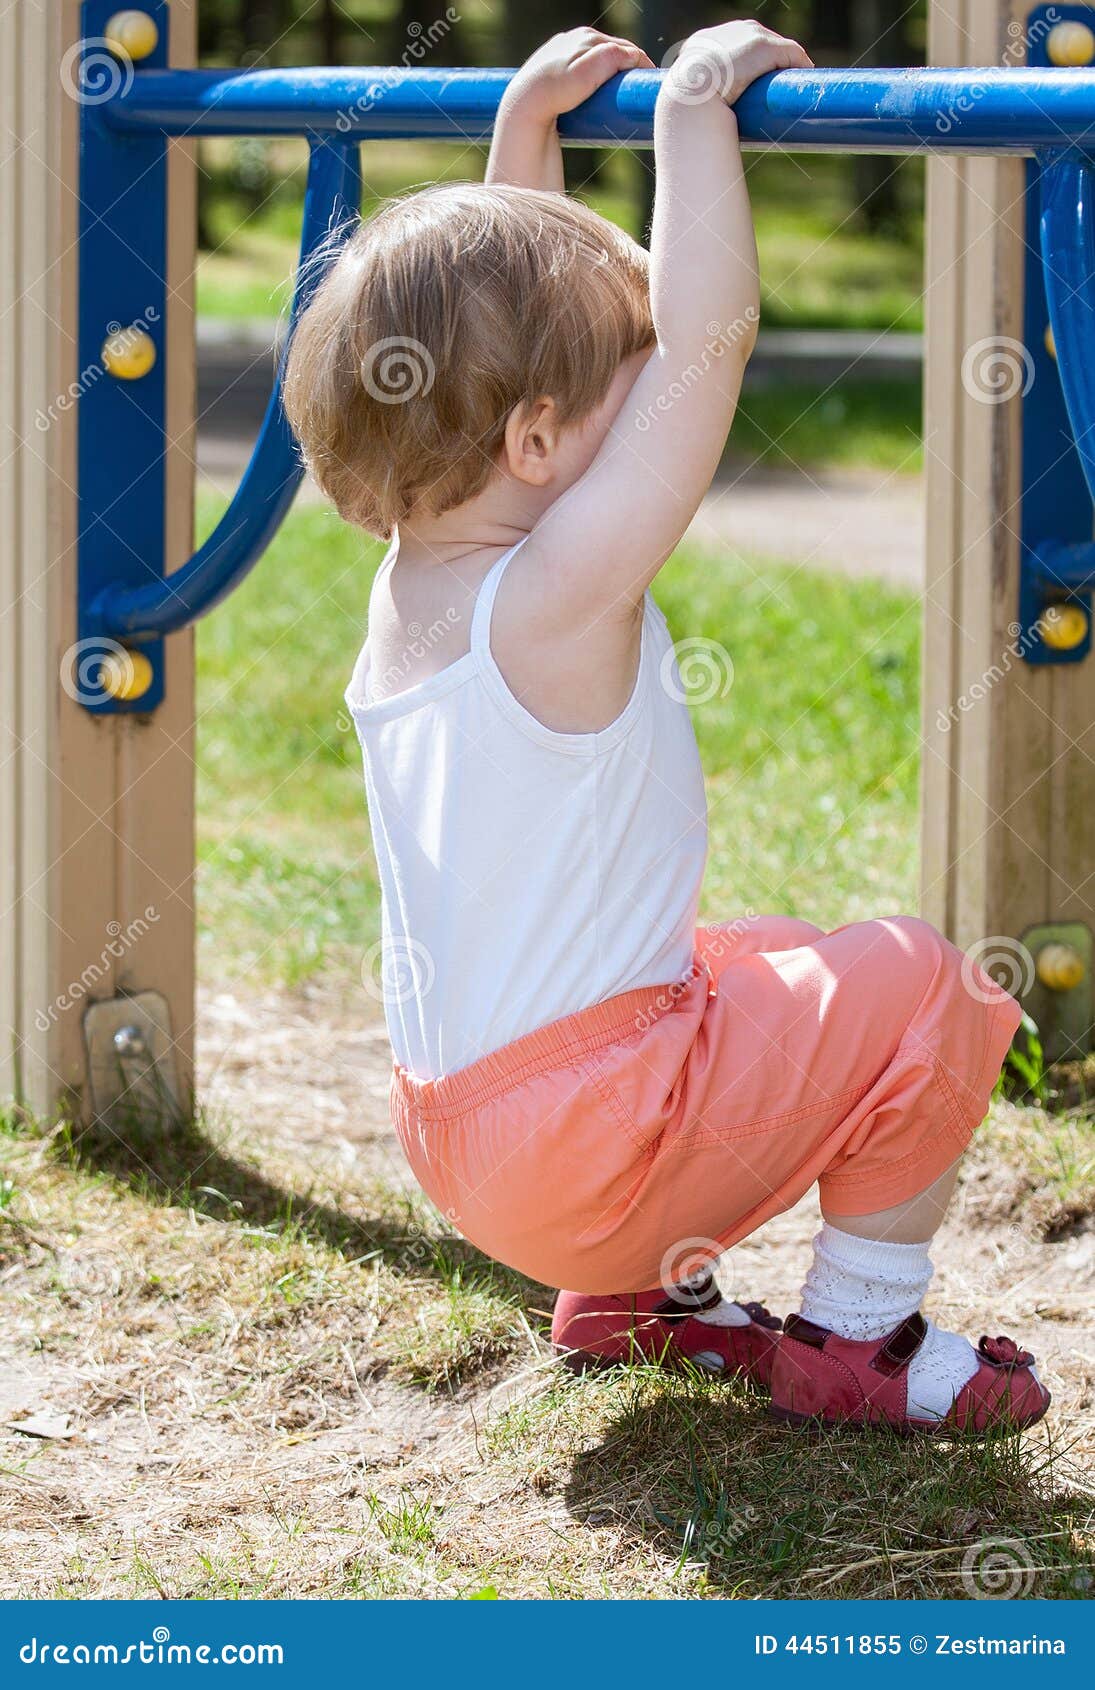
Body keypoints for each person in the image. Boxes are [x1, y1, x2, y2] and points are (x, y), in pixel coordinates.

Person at [283, 21, 1047, 1434]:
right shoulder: (563, 593)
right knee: (924, 988)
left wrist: (526, 130)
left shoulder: (412, 585)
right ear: (535, 441)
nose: (654, 384)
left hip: (465, 1144)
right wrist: (691, 110)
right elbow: (713, 336)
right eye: (622, 363)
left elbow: (496, 315)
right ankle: (858, 1341)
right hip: (596, 1144)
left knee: (743, 962)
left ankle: (636, 1292)